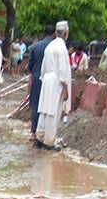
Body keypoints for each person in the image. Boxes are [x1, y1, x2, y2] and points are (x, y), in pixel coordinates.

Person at [35, 21, 72, 151]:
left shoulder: (50, 46)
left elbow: (43, 67)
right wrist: (66, 88)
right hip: (56, 82)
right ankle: (49, 141)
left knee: (44, 110)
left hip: (46, 80)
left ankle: (40, 137)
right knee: (53, 112)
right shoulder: (61, 48)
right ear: (66, 33)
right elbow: (63, 70)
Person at [26, 25, 55, 139]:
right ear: (54, 33)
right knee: (49, 106)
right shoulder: (55, 47)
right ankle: (46, 133)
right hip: (51, 80)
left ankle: (33, 132)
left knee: (35, 105)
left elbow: (30, 64)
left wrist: (32, 74)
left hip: (37, 78)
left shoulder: (36, 46)